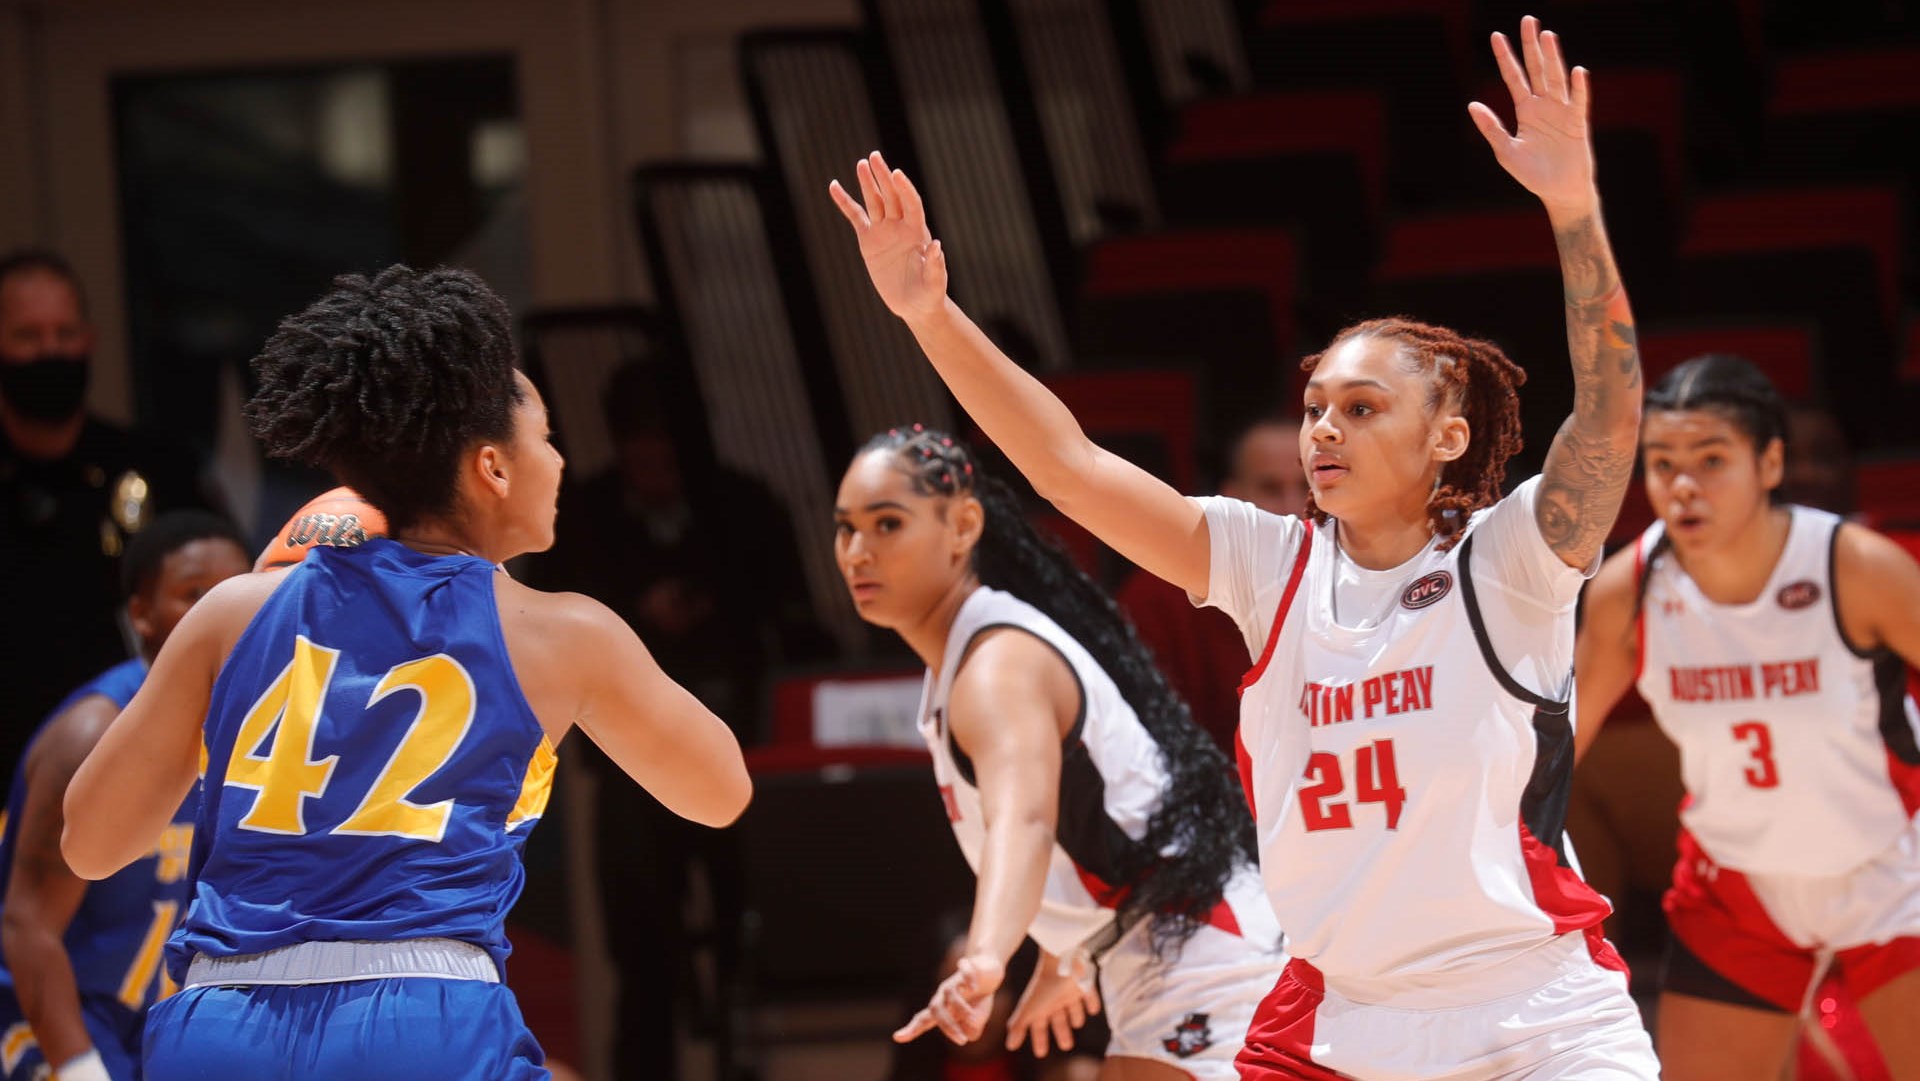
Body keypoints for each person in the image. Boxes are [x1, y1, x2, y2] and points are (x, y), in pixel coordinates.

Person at [830, 15, 1657, 1077]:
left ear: (1447, 436)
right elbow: (1071, 469)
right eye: (1316, 407)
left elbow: (1610, 418)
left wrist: (1576, 207)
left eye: (1361, 408)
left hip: (1531, 1012)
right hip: (1342, 1019)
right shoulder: (1274, 564)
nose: (1324, 430)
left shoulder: (1508, 562)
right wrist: (930, 314)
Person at [58, 265, 752, 1081]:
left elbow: (93, 844)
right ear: (493, 467)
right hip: (421, 1012)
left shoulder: (231, 611)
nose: (562, 461)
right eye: (547, 437)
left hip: (220, 1020)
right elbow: (720, 791)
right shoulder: (565, 633)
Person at [835, 426, 1284, 1079]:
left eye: (887, 524)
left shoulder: (996, 669)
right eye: (846, 527)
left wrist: (986, 956)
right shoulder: (969, 653)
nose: (858, 551)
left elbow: (1028, 823)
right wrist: (1061, 953)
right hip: (1165, 949)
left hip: (1207, 947)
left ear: (962, 527)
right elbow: (1094, 815)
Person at [1573, 354, 1920, 1080]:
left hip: (1891, 872)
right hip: (1737, 890)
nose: (1684, 485)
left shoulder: (1851, 566)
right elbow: (1552, 752)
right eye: (1663, 463)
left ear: (1769, 463)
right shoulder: (1628, 591)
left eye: (1711, 459)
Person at [0, 512, 248, 1081]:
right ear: (141, 615)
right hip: (53, 1023)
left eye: (234, 592)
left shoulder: (256, 730)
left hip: (162, 1023)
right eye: (194, 595)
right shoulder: (93, 733)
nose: (219, 612)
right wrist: (83, 1068)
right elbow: (26, 926)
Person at [0, 250, 209, 785]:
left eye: (65, 333)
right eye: (28, 336)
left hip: (131, 771)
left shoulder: (156, 469)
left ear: (89, 340)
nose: (52, 351)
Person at [1115, 416, 1308, 752]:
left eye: (1306, 488)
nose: (1293, 507)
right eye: (1271, 489)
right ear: (1231, 498)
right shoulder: (1159, 594)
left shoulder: (1362, 578)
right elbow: (1151, 739)